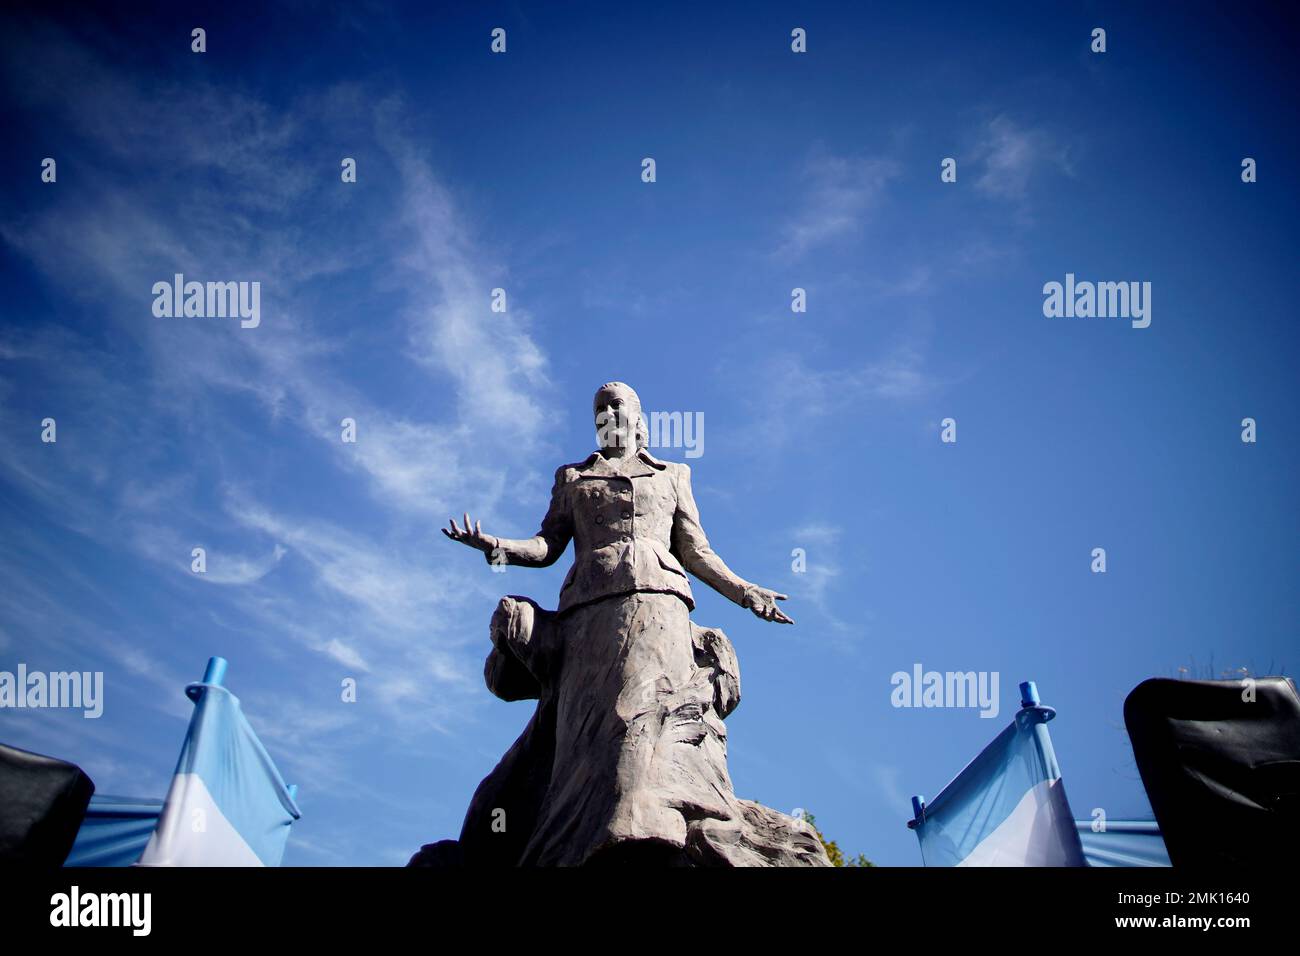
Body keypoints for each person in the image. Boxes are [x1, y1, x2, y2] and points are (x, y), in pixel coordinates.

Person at [439, 382, 821, 866]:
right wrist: (496, 545)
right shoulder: (573, 478)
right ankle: (580, 844)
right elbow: (546, 547)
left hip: (660, 609)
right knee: (592, 734)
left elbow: (697, 552)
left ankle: (654, 830)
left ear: (640, 418)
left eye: (618, 403)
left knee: (645, 721)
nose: (609, 410)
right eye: (600, 405)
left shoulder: (673, 475)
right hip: (590, 616)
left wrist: (747, 593)